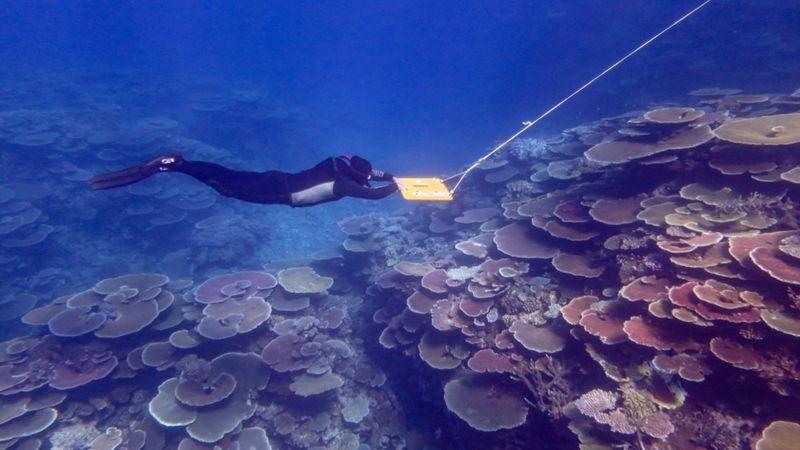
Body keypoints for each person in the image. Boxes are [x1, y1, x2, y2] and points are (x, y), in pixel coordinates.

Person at [88, 152, 401, 207]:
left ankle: (179, 162)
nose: (368, 179)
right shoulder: (345, 185)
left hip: (277, 178)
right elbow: (374, 194)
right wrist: (397, 187)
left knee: (228, 174)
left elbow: (371, 174)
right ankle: (175, 167)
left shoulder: (339, 166)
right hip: (280, 194)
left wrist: (394, 177)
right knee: (227, 188)